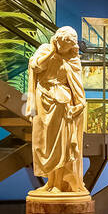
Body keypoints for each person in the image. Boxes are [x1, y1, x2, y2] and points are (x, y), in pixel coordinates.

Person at [25, 26, 87, 194]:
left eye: (71, 43)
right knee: (43, 143)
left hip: (61, 104)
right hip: (42, 100)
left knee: (60, 145)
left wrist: (80, 105)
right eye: (65, 42)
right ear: (58, 39)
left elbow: (77, 84)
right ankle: (50, 182)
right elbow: (36, 66)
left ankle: (58, 183)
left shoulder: (73, 57)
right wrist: (53, 51)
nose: (68, 46)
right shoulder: (45, 50)